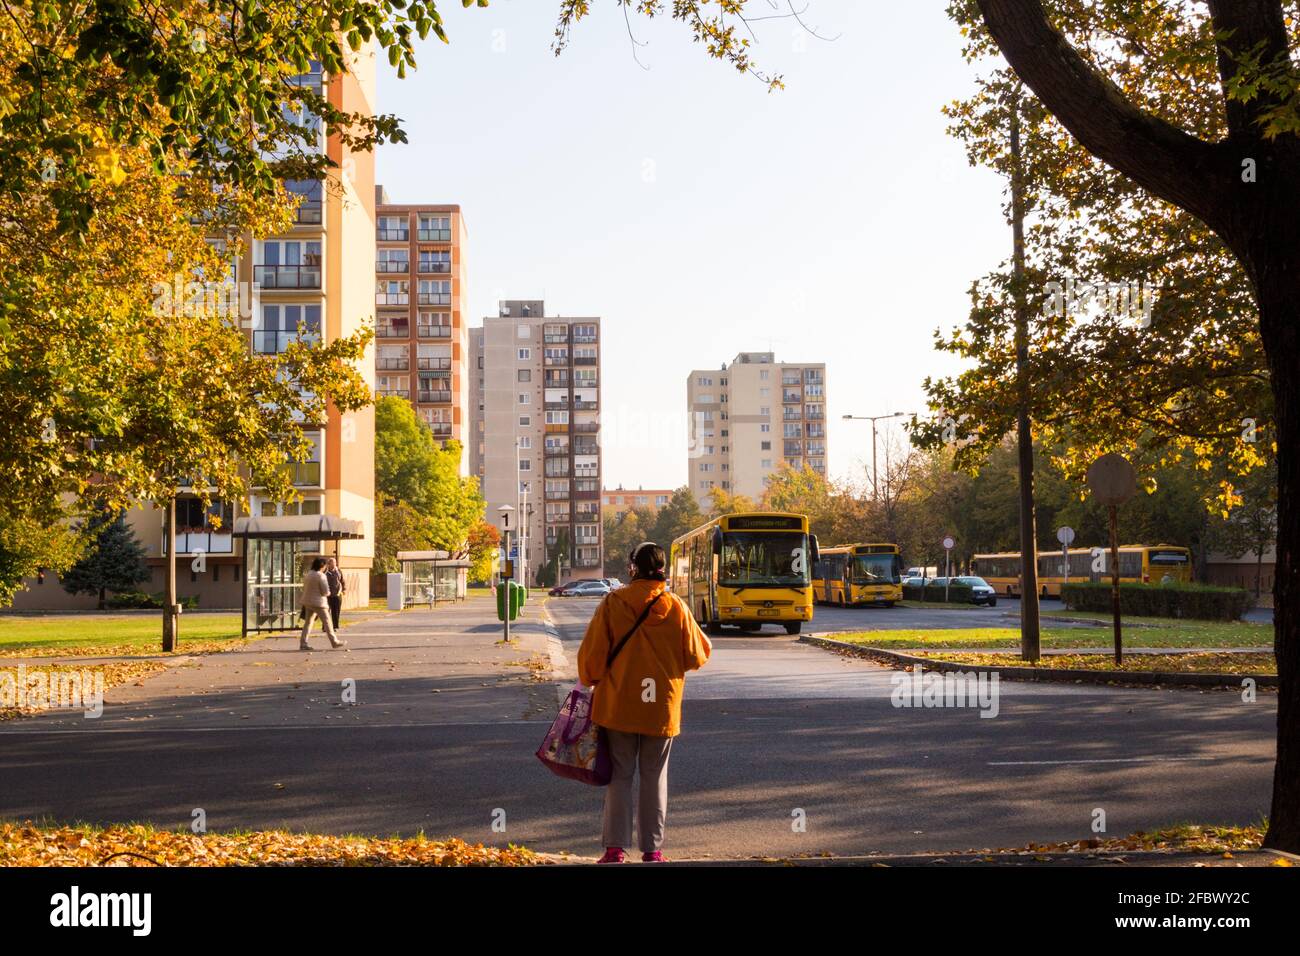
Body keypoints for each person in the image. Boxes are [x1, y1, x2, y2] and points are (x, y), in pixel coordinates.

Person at [577, 541, 712, 863]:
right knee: (654, 776)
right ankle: (652, 850)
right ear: (662, 568)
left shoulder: (613, 603)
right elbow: (697, 654)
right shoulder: (676, 606)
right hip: (660, 707)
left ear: (632, 567)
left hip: (619, 705)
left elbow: (591, 662)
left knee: (620, 775)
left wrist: (594, 678)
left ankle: (614, 848)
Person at [300, 557, 346, 651]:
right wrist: (329, 593)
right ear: (322, 566)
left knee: (308, 623)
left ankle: (303, 643)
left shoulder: (308, 574)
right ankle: (334, 642)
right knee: (327, 622)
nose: (326, 567)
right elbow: (325, 592)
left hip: (308, 601)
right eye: (325, 565)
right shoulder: (321, 576)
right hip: (319, 603)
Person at [325, 556, 346, 630]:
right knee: (326, 612)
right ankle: (325, 627)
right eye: (332, 563)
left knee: (336, 611)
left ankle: (335, 626)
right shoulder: (325, 572)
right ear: (328, 564)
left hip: (337, 594)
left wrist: (344, 589)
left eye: (334, 563)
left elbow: (342, 581)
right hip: (328, 595)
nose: (334, 564)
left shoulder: (339, 571)